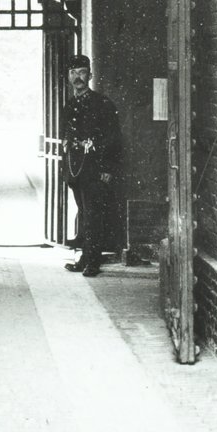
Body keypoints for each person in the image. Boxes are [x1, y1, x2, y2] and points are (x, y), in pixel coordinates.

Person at [61, 53, 122, 277]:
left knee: (93, 214)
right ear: (68, 77)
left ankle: (93, 262)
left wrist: (107, 169)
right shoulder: (70, 105)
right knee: (84, 213)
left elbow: (114, 139)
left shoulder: (103, 104)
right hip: (76, 169)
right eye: (73, 73)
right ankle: (85, 257)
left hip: (95, 169)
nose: (77, 77)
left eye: (82, 72)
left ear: (90, 75)